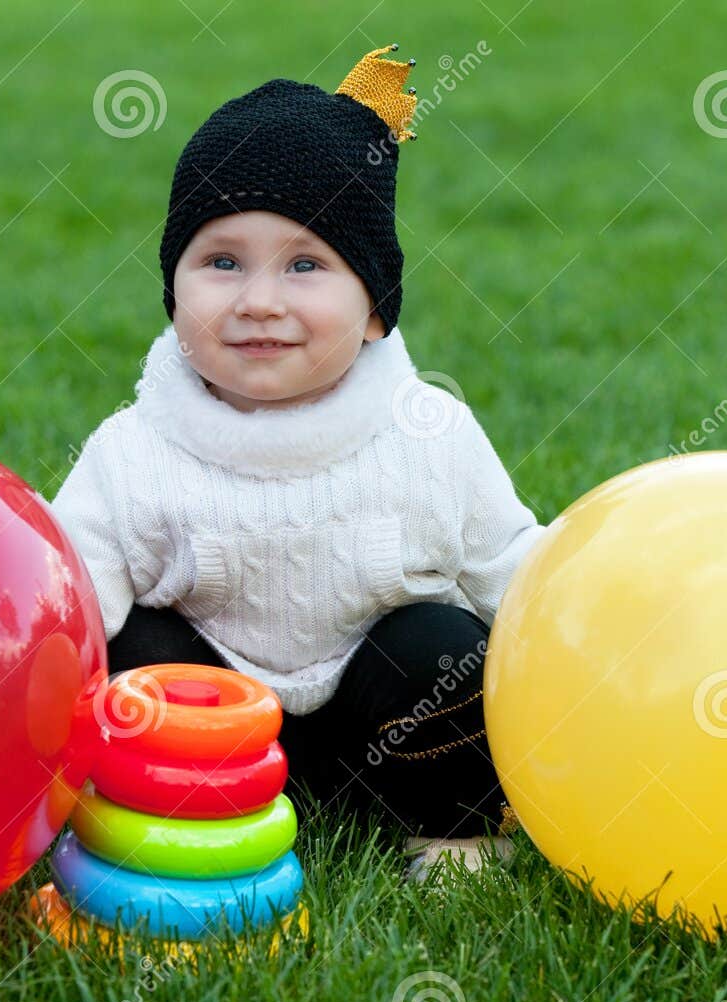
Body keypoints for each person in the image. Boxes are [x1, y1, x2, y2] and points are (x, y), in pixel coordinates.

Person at [52, 46, 547, 882]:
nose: (260, 301)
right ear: (175, 293)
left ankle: (454, 834)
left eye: (306, 265)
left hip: (386, 732)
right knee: (132, 650)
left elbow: (519, 572)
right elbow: (65, 597)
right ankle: (163, 831)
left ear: (375, 314)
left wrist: (610, 611)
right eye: (222, 262)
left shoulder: (427, 434)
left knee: (445, 646)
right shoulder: (136, 449)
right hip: (213, 746)